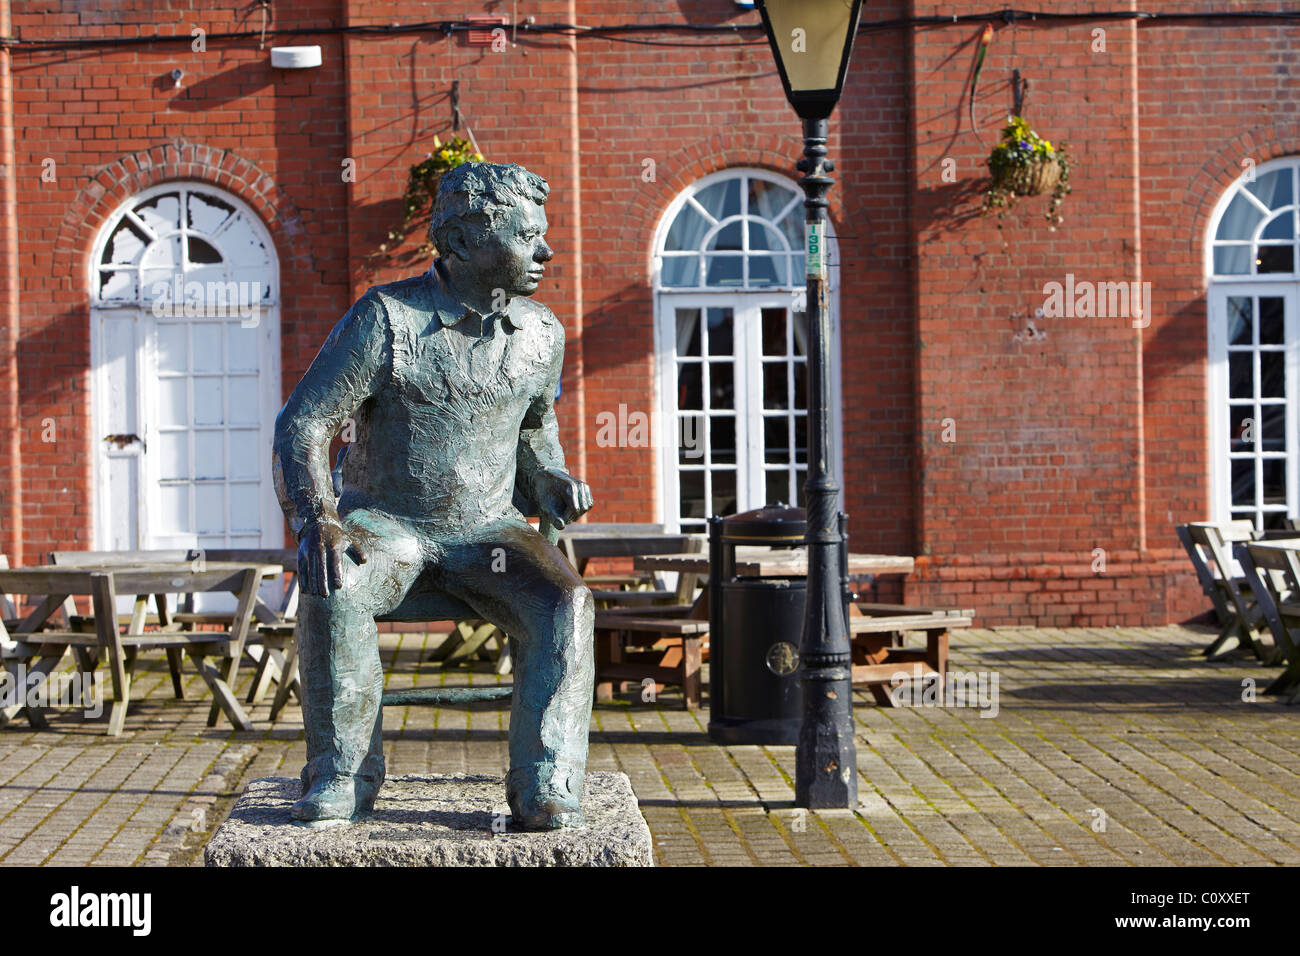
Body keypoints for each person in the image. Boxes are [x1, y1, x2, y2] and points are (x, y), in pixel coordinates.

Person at [272, 162, 594, 828]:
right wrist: (317, 520)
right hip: (390, 529)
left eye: (543, 235)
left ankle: (546, 780)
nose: (545, 252)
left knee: (567, 601)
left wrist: (552, 481)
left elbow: (535, 440)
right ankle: (341, 774)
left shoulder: (541, 335)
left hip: (489, 536)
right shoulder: (386, 319)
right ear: (464, 243)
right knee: (337, 584)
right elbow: (304, 423)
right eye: (525, 236)